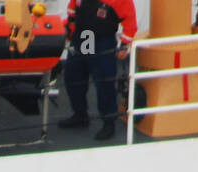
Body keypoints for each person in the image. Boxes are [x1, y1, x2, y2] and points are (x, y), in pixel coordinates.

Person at [58, 0, 138, 140]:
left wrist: (125, 44)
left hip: (103, 42)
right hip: (82, 38)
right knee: (73, 78)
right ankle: (80, 115)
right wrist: (69, 27)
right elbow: (72, 9)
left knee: (104, 83)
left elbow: (130, 21)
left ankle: (109, 123)